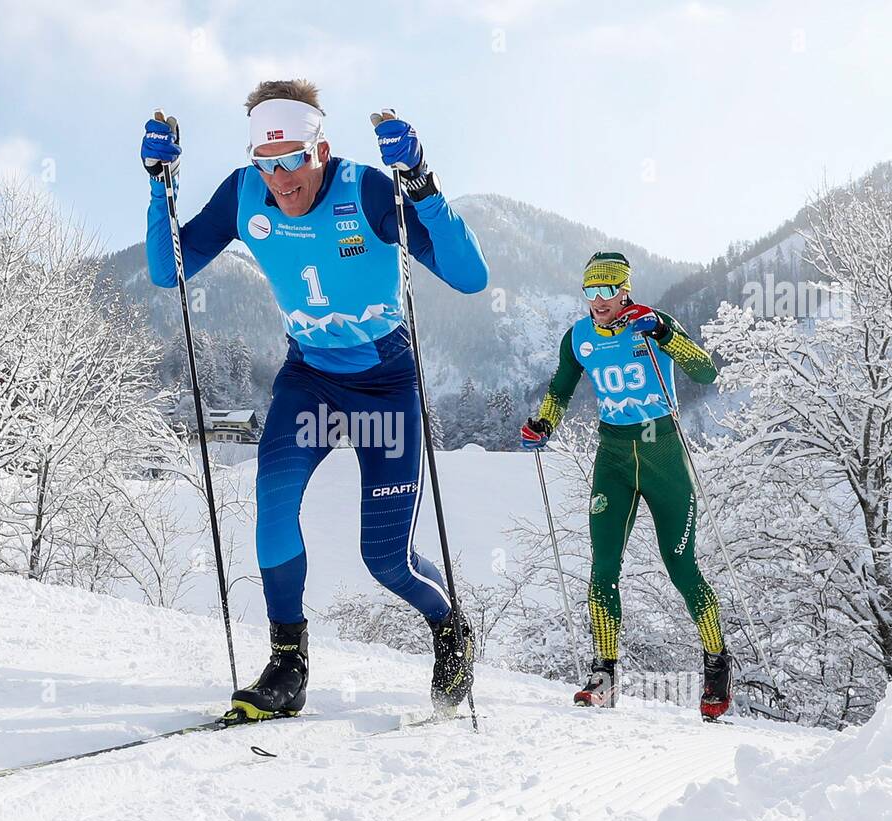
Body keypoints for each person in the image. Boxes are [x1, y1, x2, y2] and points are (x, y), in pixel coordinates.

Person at [142, 79, 488, 719]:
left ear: (320, 149)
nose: (279, 179)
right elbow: (171, 271)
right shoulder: (245, 195)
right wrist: (160, 183)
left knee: (385, 560)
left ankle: (450, 627)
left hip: (384, 387)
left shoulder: (365, 189)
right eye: (265, 162)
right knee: (271, 510)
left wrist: (421, 182)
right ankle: (288, 665)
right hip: (310, 382)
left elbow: (471, 278)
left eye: (292, 160)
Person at [520, 252, 733, 719]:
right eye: (589, 291)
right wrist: (544, 423)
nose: (597, 301)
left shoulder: (652, 326)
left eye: (606, 291)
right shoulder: (579, 338)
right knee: (603, 566)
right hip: (613, 457)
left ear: (624, 290)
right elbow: (560, 389)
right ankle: (605, 672)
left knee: (681, 566)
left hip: (663, 452)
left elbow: (705, 371)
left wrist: (664, 331)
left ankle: (716, 662)